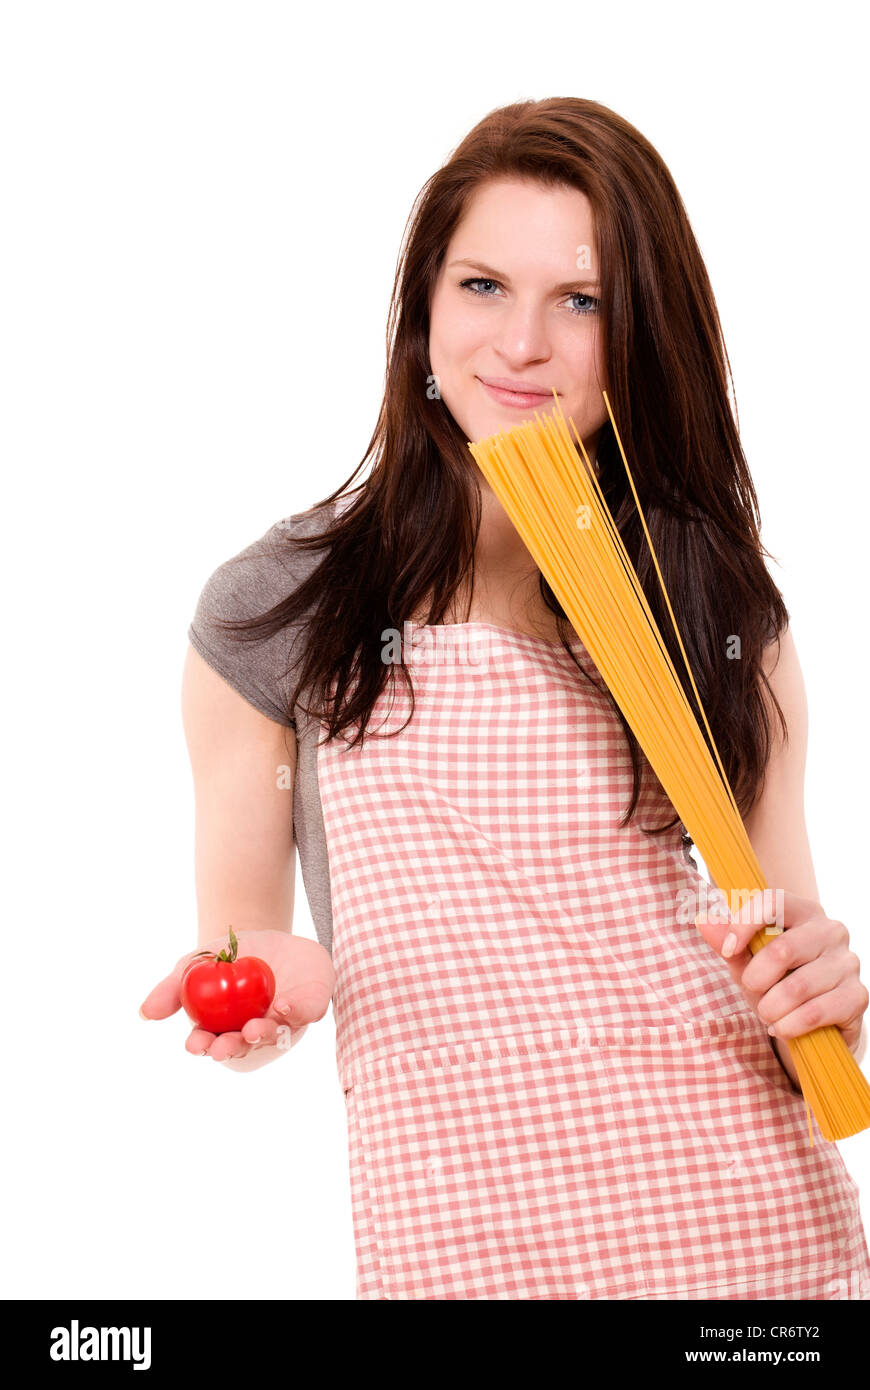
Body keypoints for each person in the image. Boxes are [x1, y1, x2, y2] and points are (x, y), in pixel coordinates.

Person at [141, 97, 870, 1301]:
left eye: (581, 301)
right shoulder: (276, 608)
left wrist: (830, 1005)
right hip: (464, 1239)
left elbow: (786, 962)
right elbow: (251, 932)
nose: (522, 343)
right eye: (482, 286)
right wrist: (277, 977)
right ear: (422, 310)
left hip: (752, 1244)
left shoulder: (724, 610)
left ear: (641, 334)